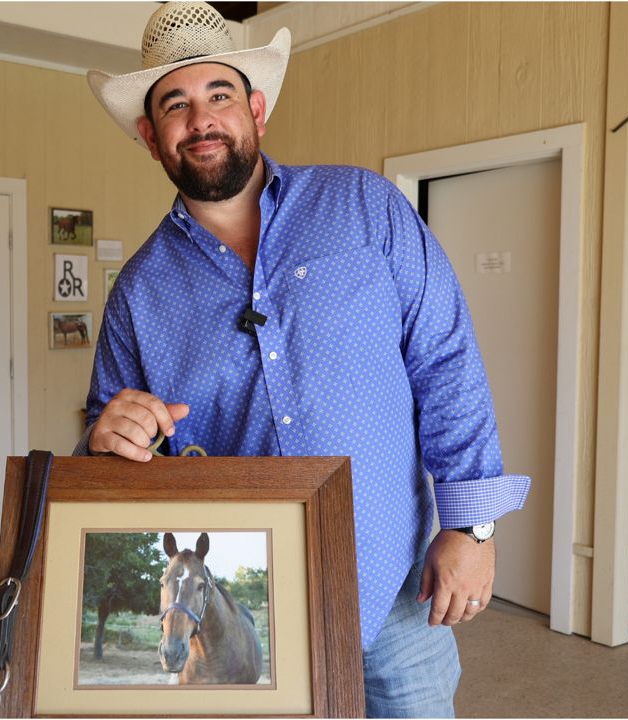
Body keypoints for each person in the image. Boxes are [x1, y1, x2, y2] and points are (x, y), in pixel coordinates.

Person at [79, 4, 530, 716]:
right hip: (256, 621)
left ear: (255, 108)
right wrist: (106, 438)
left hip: (395, 594)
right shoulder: (139, 293)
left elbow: (447, 363)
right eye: (176, 105)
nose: (201, 119)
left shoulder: (366, 209)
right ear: (150, 135)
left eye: (219, 95)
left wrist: (470, 526)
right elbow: (105, 454)